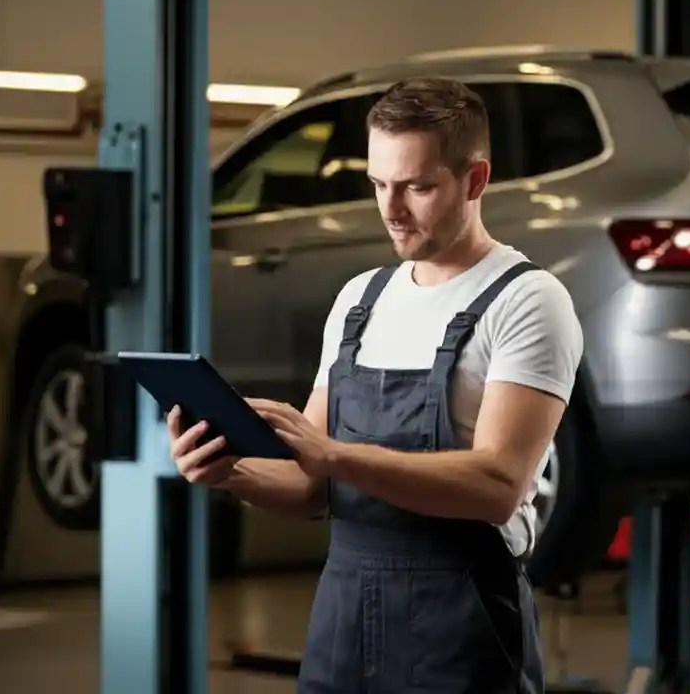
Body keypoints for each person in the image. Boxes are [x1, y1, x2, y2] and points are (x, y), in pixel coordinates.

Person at [167, 76, 584, 693]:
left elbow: (498, 485)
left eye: (417, 187)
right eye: (378, 185)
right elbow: (312, 485)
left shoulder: (526, 301)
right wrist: (229, 472)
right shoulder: (361, 300)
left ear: (475, 181)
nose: (391, 210)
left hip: (460, 630)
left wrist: (337, 456)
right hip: (343, 626)